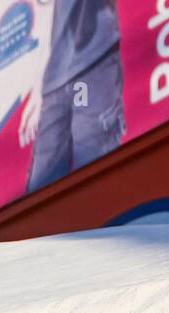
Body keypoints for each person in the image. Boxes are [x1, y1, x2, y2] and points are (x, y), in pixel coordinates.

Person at [20, 0, 124, 191]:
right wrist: (37, 91)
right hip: (55, 85)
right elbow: (49, 19)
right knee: (42, 187)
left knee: (92, 165)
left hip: (88, 71)